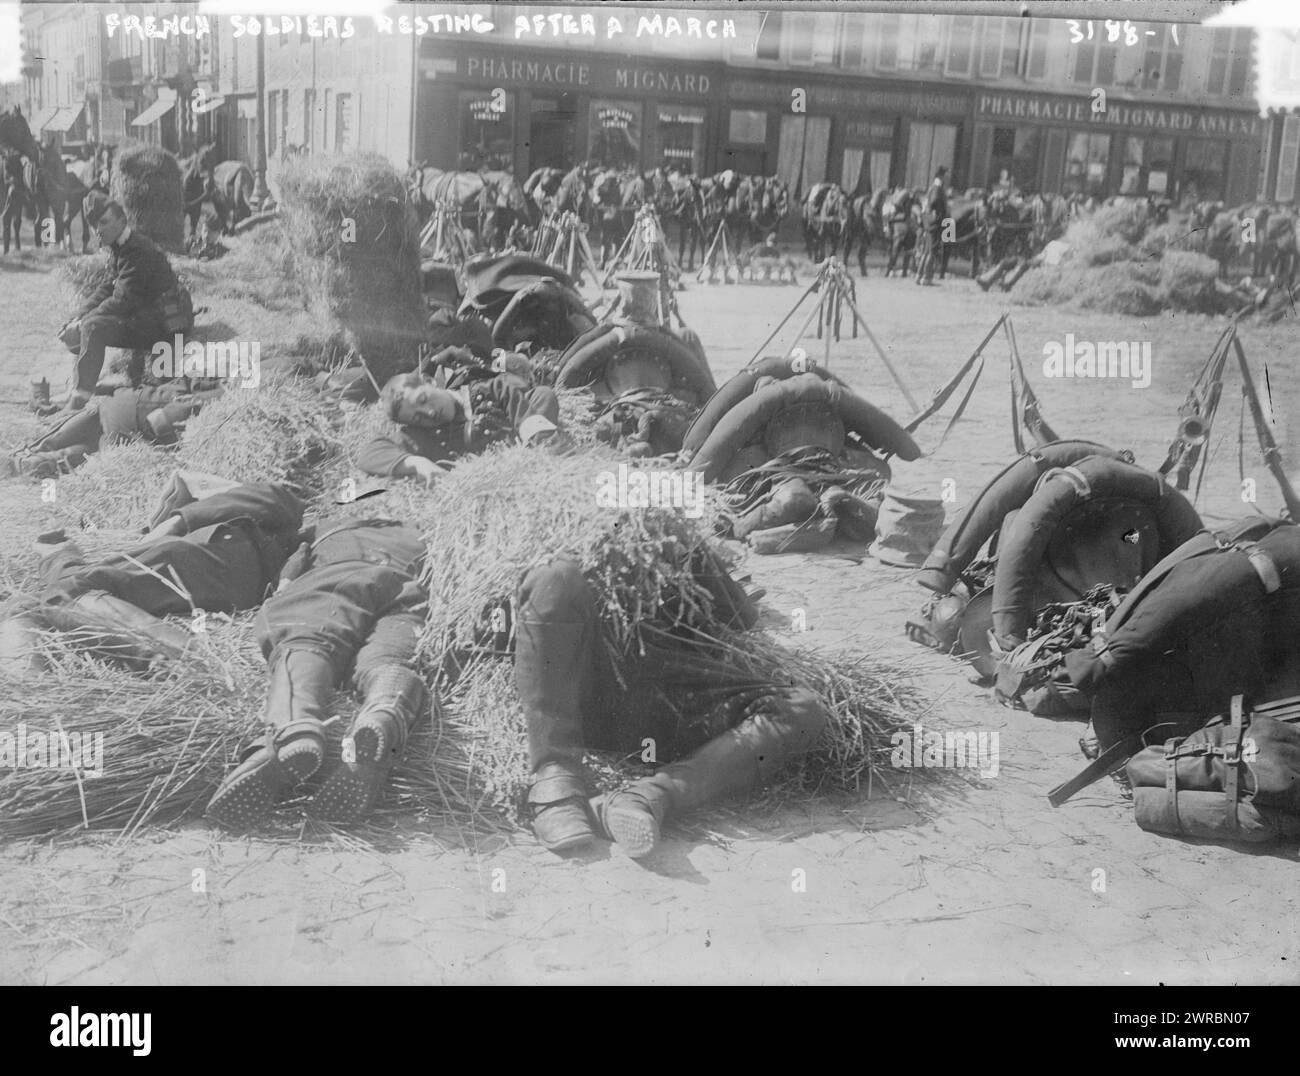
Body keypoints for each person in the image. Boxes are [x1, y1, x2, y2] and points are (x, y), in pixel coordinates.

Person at [517, 548, 829, 857]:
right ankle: (555, 777)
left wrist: (690, 548)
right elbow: (514, 635)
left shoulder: (678, 540)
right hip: (593, 696)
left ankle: (650, 796)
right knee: (553, 575)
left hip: (676, 698)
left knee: (800, 709)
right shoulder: (557, 548)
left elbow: (739, 618)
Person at [205, 516, 433, 829]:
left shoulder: (331, 525)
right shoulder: (423, 529)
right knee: (387, 659)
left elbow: (296, 561)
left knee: (305, 636)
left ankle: (293, 728)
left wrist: (283, 588)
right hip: (409, 588)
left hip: (343, 572)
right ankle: (385, 711)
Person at [1, 481, 305, 672]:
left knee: (66, 594)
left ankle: (191, 661)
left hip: (225, 554)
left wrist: (177, 520)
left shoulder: (231, 497)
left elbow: (282, 497)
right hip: (212, 568)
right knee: (29, 605)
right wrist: (59, 557)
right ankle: (26, 704)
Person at [56, 193, 179, 410]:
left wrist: (84, 321)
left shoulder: (136, 249)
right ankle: (77, 387)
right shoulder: (120, 246)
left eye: (104, 222)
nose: (98, 230)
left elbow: (123, 299)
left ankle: (79, 399)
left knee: (93, 326)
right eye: (95, 224)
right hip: (147, 315)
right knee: (84, 324)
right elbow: (106, 287)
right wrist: (76, 316)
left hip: (164, 322)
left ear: (122, 221)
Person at [357, 356, 564, 482]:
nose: (429, 413)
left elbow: (527, 420)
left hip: (527, 463)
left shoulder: (492, 389)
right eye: (418, 418)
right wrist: (416, 463)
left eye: (423, 399)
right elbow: (369, 453)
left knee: (543, 396)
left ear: (430, 382)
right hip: (486, 485)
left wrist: (547, 458)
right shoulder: (427, 435)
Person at [3, 384, 221, 479]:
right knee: (85, 455)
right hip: (131, 432)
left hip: (126, 407)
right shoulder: (227, 396)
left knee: (65, 439)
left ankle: (23, 460)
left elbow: (189, 395)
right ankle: (29, 465)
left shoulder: (218, 386)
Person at [915, 166, 949, 286]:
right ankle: (926, 277)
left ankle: (919, 275)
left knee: (926, 250)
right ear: (940, 176)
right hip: (935, 223)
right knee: (932, 251)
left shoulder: (932, 188)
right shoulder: (938, 189)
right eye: (945, 175)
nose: (946, 177)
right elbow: (935, 202)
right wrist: (942, 216)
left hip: (928, 223)